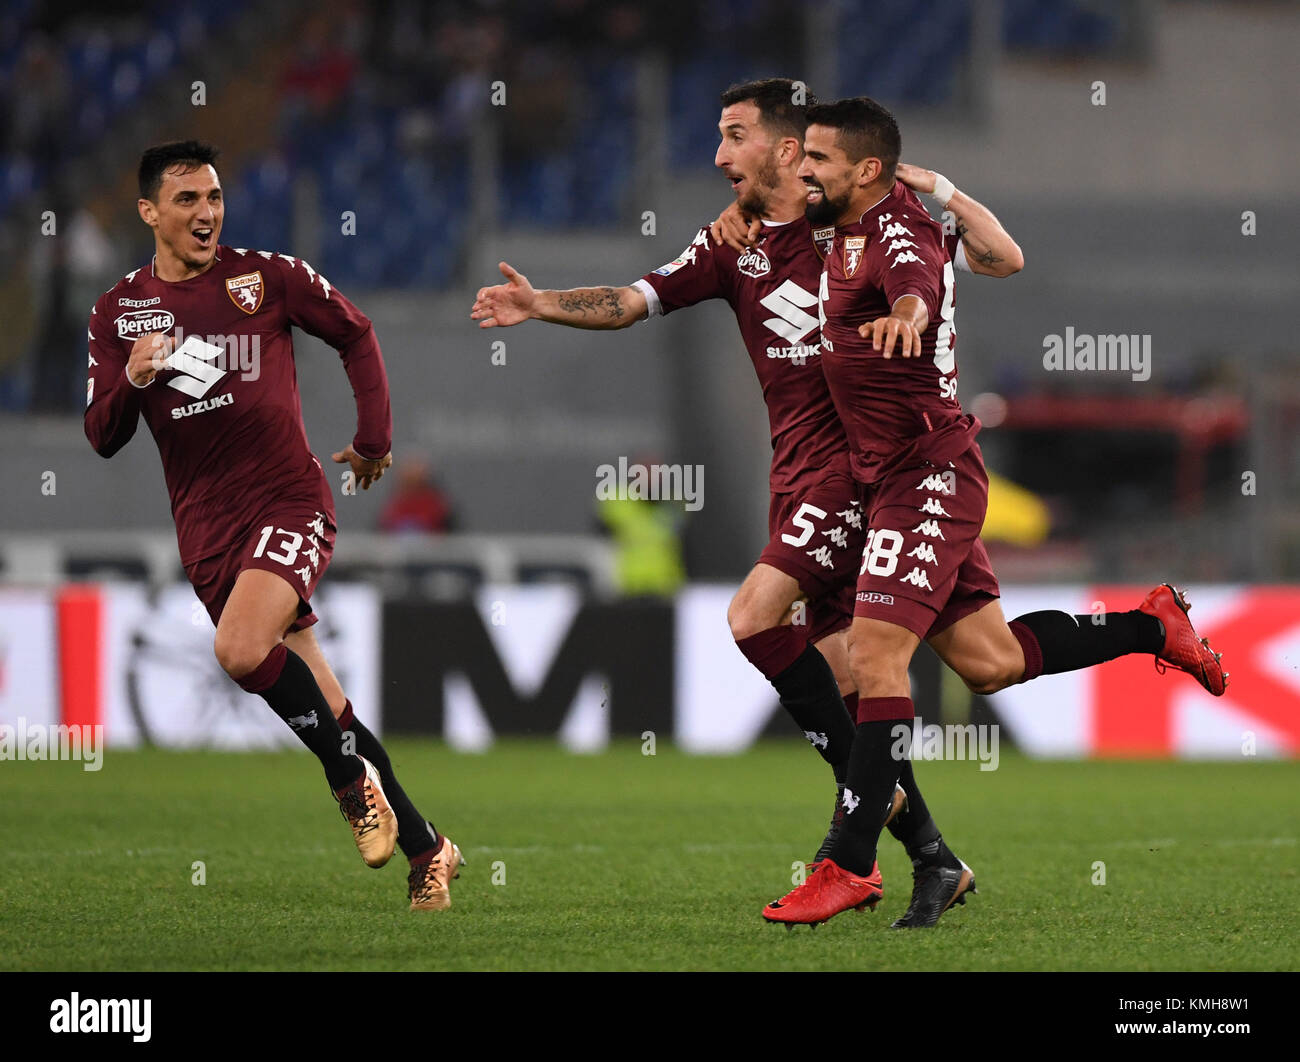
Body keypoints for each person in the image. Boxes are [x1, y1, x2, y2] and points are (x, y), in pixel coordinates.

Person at [472, 80, 1022, 927]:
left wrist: (932, 194)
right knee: (942, 665)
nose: (719, 155)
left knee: (757, 616)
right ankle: (928, 853)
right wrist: (541, 304)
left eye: (734, 136)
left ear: (790, 148)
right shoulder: (730, 246)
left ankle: (853, 855)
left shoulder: (852, 215)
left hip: (867, 473)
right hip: (802, 476)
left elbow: (982, 256)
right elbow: (633, 301)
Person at [761, 97, 1227, 928]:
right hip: (887, 475)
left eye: (821, 161)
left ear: (865, 170)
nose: (805, 172)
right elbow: (1005, 257)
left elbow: (912, 290)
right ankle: (1153, 627)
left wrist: (910, 312)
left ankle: (849, 863)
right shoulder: (859, 223)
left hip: (925, 474)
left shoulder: (897, 235)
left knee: (873, 656)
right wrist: (941, 187)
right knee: (991, 663)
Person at [84, 140, 461, 911]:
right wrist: (132, 379)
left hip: (290, 502)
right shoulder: (119, 312)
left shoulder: (268, 278)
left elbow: (355, 331)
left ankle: (348, 782)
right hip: (209, 537)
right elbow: (100, 434)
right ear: (150, 212)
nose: (207, 213)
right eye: (187, 199)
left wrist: (374, 441)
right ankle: (430, 847)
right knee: (326, 699)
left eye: (215, 196)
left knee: (238, 648)